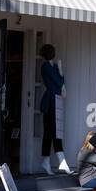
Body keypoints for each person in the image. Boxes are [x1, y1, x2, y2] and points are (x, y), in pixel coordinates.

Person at [38, 45, 69, 175]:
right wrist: (61, 75)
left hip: (56, 101)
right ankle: (60, 162)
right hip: (50, 101)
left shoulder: (54, 66)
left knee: (54, 132)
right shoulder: (46, 66)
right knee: (50, 132)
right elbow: (58, 81)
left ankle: (49, 161)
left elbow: (61, 80)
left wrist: (61, 71)